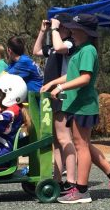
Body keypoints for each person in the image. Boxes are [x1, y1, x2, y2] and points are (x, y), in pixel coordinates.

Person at [41, 13, 110, 203]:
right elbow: (72, 75)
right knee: (84, 145)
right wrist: (53, 83)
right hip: (77, 104)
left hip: (84, 105)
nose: (71, 31)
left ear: (85, 32)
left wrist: (61, 87)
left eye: (75, 28)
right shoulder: (80, 50)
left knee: (81, 147)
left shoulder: (88, 50)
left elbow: (85, 78)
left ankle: (81, 190)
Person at [33, 13, 77, 194]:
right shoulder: (52, 47)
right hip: (52, 96)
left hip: (63, 94)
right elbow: (36, 51)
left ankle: (72, 181)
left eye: (60, 26)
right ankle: (58, 178)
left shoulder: (70, 44)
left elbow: (60, 47)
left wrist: (55, 28)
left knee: (65, 137)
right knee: (57, 141)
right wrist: (43, 32)